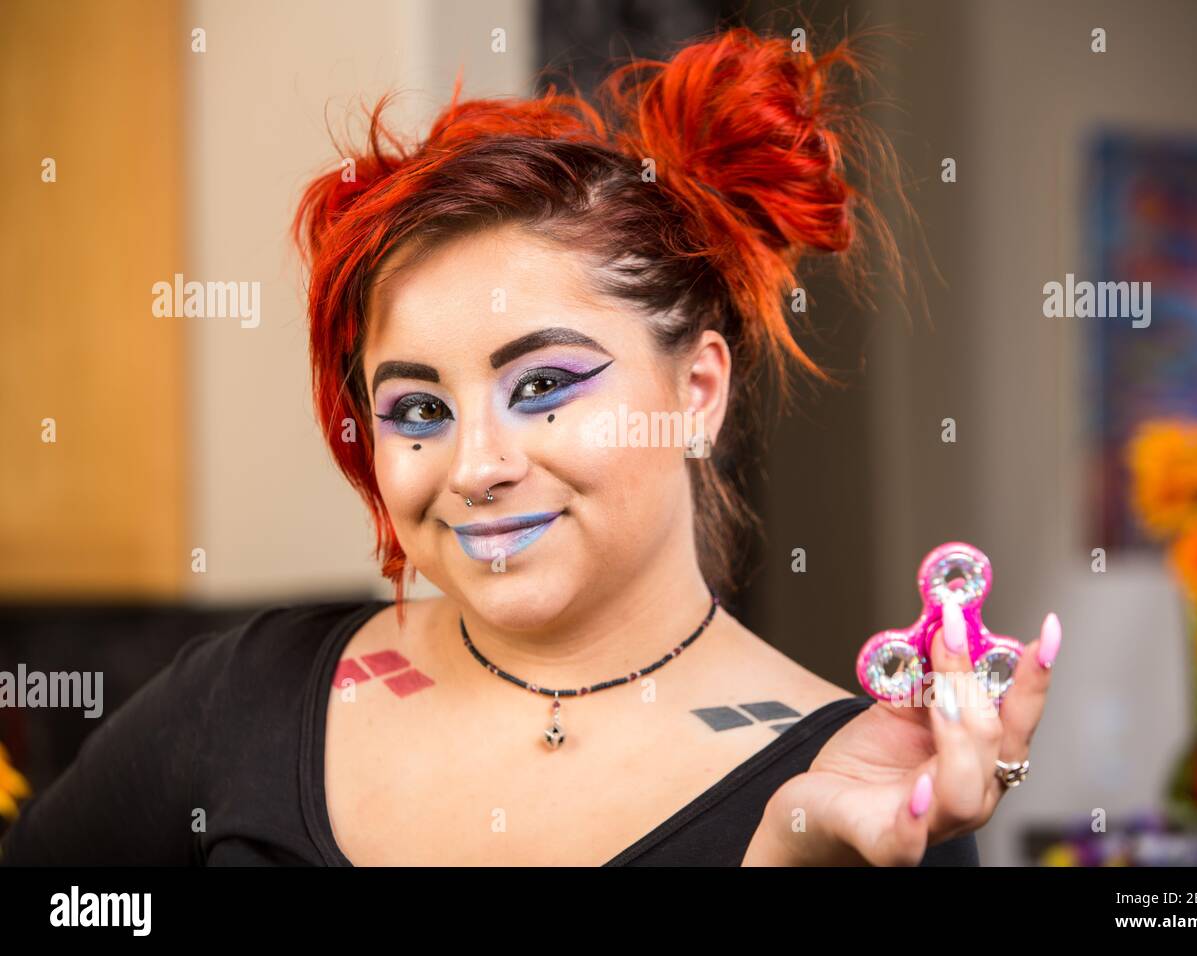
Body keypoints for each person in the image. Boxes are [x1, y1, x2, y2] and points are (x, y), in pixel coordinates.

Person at [0, 25, 1058, 867]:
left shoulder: (860, 790)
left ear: (695, 390)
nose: (475, 466)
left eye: (543, 385)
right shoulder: (246, 694)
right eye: (417, 409)